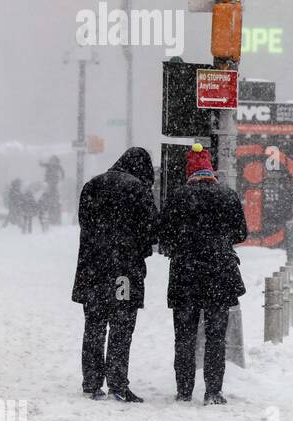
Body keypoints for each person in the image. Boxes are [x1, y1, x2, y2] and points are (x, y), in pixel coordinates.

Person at [157, 143, 248, 404]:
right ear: (210, 170)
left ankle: (184, 390)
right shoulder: (227, 196)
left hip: (185, 275)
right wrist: (219, 241)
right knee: (215, 337)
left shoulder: (178, 197)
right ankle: (213, 391)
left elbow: (163, 234)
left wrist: (182, 245)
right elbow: (241, 233)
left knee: (184, 335)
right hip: (219, 275)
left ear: (190, 171)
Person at [72, 147, 159, 402]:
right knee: (121, 325)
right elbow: (151, 231)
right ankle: (118, 383)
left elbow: (84, 222)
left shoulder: (92, 185)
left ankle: (91, 382)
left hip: (93, 268)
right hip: (124, 271)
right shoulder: (138, 189)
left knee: (94, 325)